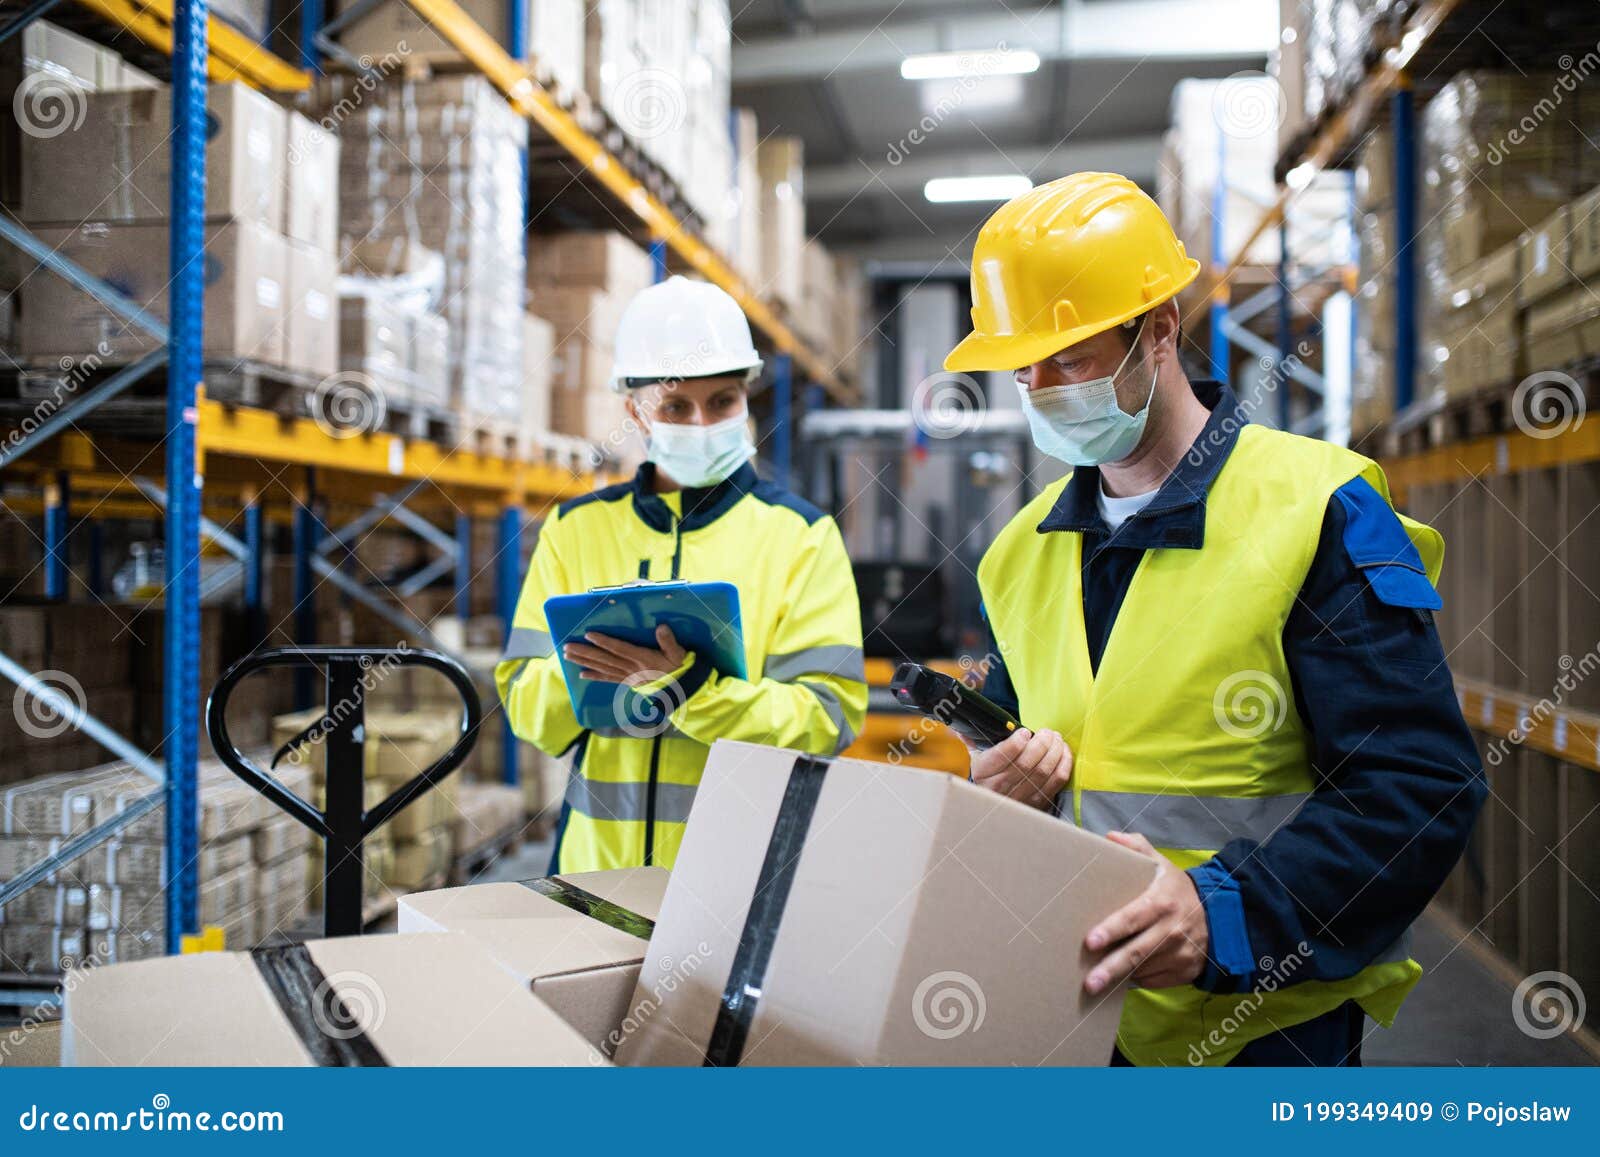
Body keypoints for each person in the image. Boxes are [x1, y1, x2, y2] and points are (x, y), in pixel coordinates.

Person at [947, 172, 1485, 1066]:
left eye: (1071, 357)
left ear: (1160, 329)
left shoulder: (1316, 507)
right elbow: (1026, 747)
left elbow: (1417, 786)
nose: (1040, 389)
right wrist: (995, 782)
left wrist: (1221, 911)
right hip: (1074, 1023)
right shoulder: (1018, 554)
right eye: (1021, 367)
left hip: (1263, 1030)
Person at [495, 275, 868, 873]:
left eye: (722, 402)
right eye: (674, 406)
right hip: (594, 876)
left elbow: (827, 718)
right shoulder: (574, 528)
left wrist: (691, 690)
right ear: (635, 413)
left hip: (736, 879)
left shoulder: (801, 536)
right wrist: (598, 667)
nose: (700, 424)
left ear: (747, 399)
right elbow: (523, 703)